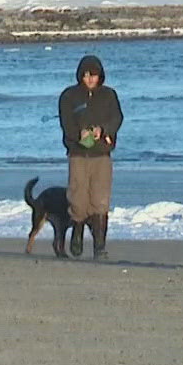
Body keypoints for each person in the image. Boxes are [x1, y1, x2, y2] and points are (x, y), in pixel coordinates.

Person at [57, 53, 123, 259]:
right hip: (78, 153)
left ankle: (99, 246)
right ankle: (76, 235)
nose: (89, 79)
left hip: (101, 153)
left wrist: (103, 130)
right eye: (86, 75)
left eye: (93, 75)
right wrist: (79, 134)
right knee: (78, 198)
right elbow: (66, 121)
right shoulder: (69, 96)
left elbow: (117, 118)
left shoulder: (109, 95)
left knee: (100, 200)